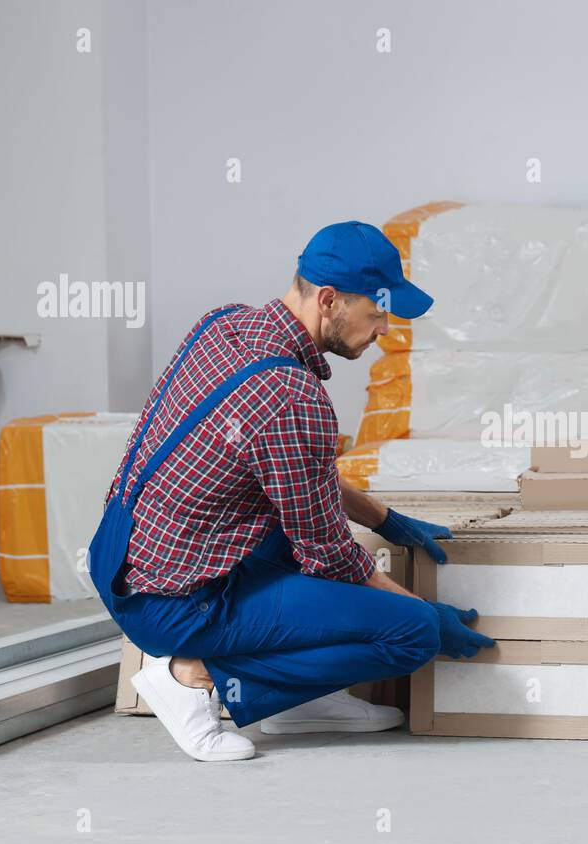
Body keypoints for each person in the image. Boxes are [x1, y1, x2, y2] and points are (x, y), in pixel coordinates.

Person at [88, 221, 493, 762]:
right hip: (174, 604)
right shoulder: (292, 395)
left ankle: (299, 703)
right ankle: (191, 675)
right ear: (330, 301)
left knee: (294, 527)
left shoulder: (225, 325)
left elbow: (298, 468)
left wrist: (387, 521)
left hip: (127, 557)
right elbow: (328, 556)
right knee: (411, 634)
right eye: (377, 313)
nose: (385, 330)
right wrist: (426, 610)